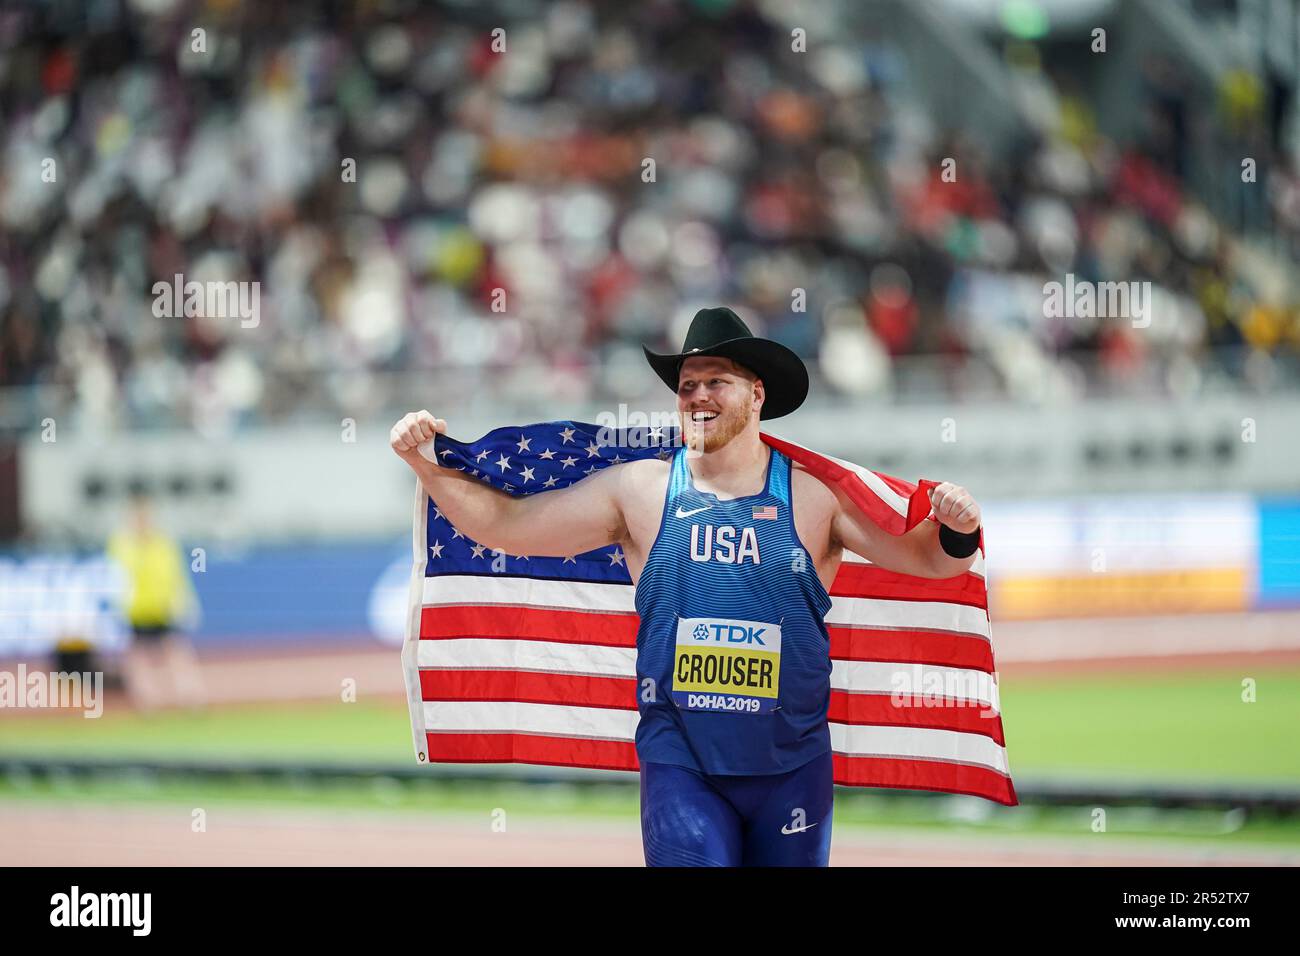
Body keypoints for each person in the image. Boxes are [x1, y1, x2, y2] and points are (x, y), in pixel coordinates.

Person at [389, 306, 982, 866]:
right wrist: (426, 464)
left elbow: (927, 561)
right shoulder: (640, 492)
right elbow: (508, 528)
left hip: (792, 769)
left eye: (716, 381)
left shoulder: (813, 498)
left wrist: (958, 530)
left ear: (757, 394)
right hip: (682, 764)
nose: (698, 396)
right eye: (687, 384)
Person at [106, 492, 206, 712]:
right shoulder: (122, 544)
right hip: (137, 610)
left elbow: (176, 574)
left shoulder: (163, 542)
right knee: (138, 658)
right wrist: (117, 606)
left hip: (163, 607)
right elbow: (115, 577)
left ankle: (190, 699)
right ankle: (147, 702)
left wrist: (184, 600)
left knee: (176, 653)